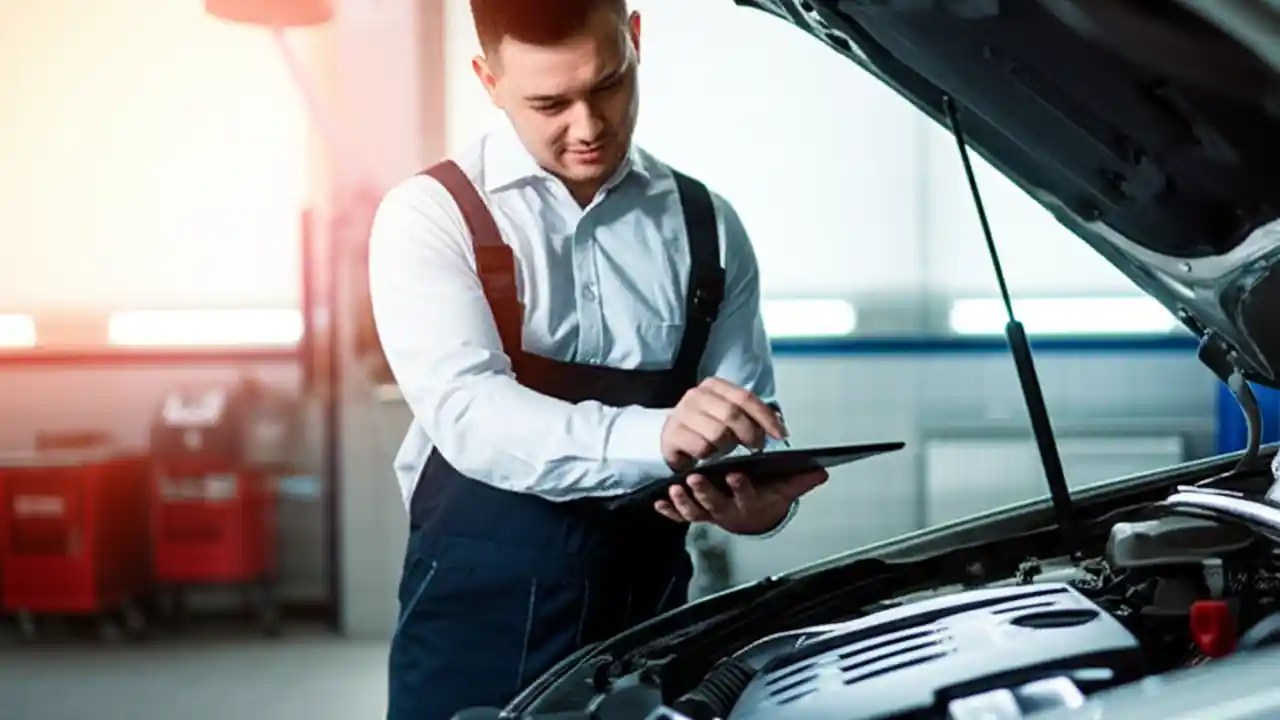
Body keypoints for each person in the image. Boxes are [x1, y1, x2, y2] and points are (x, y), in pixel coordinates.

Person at [368, 1, 829, 718]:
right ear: (488, 79)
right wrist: (657, 436)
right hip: (473, 619)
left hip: (648, 617)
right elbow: (470, 415)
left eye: (609, 84)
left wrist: (755, 507)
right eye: (549, 103)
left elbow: (742, 425)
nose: (588, 127)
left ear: (636, 39)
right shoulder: (430, 216)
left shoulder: (710, 227)